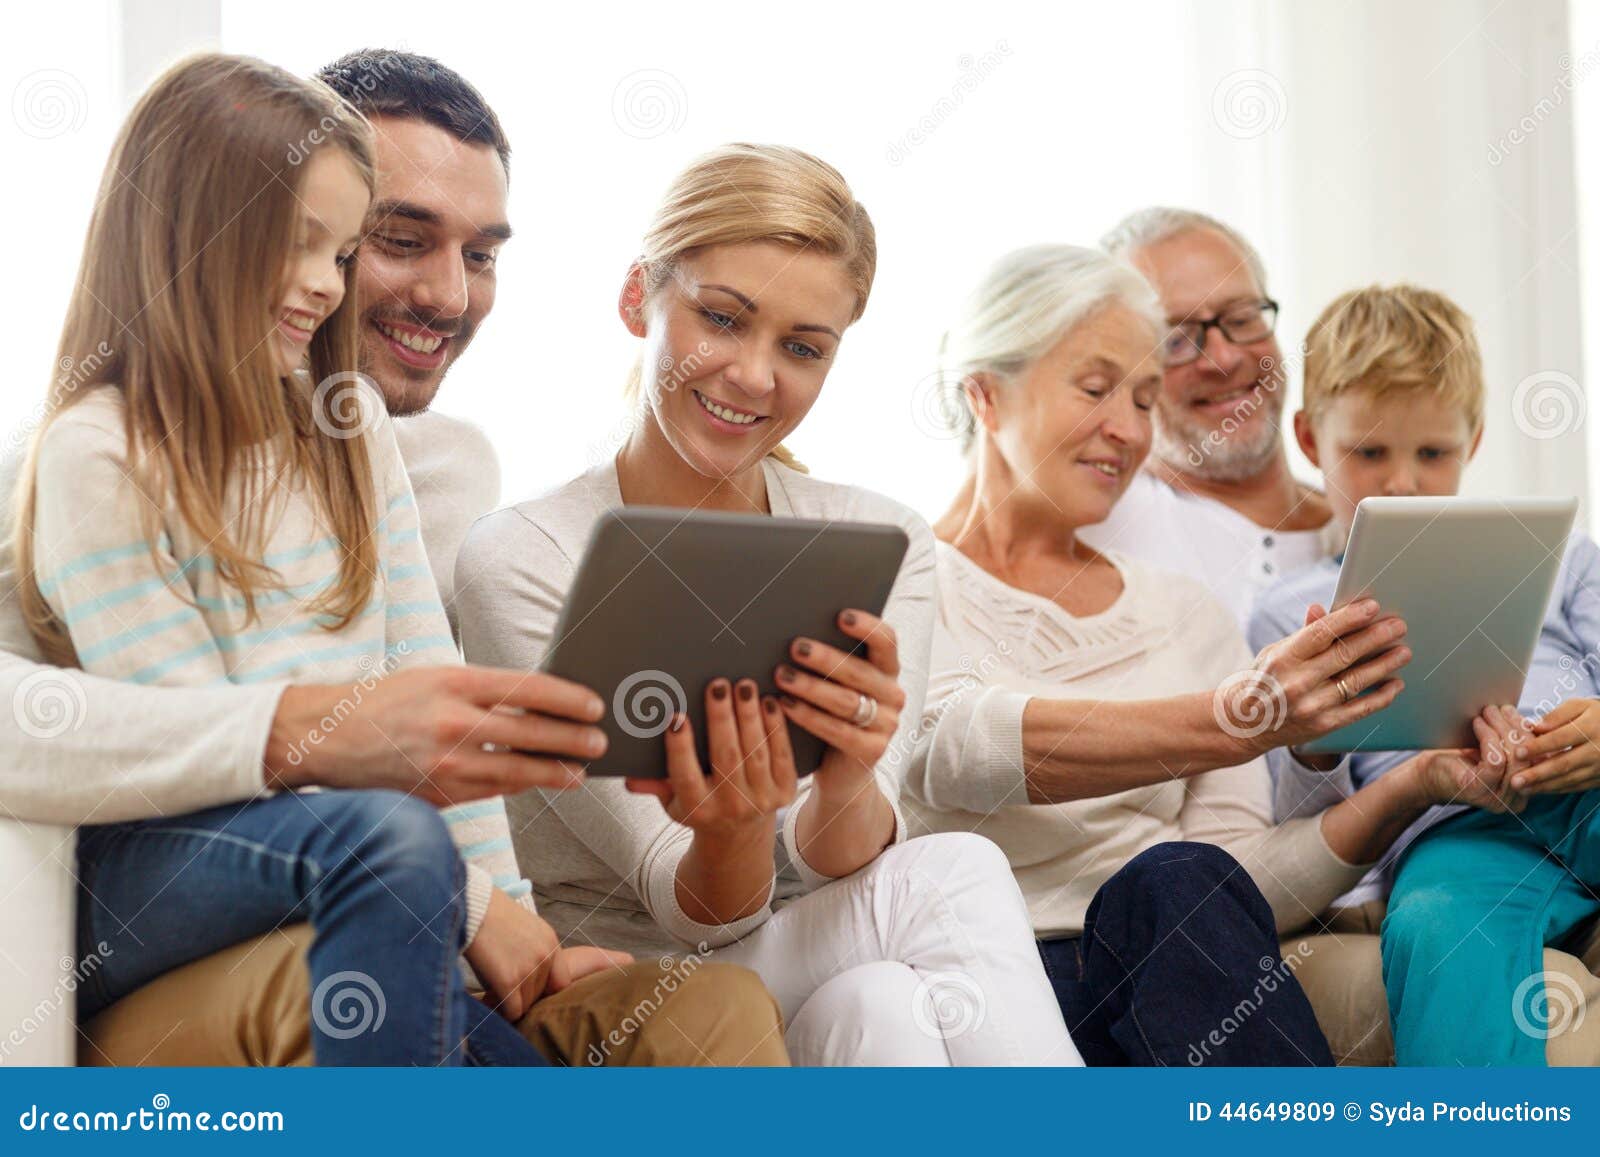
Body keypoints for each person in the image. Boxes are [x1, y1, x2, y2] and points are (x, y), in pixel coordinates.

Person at [2, 50, 786, 1067]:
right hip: (182, 864)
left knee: (706, 1003)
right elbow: (203, 747)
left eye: (338, 253)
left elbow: (430, 674)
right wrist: (473, 909)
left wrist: (514, 924)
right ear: (191, 236)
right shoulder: (91, 454)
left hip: (366, 874)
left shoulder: (352, 429)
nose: (323, 285)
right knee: (392, 840)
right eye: (325, 244)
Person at [453, 143, 1079, 1066]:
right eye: (721, 319)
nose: (754, 375)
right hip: (639, 984)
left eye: (801, 348)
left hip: (811, 954)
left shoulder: (880, 538)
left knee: (887, 1005)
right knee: (955, 873)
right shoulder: (524, 555)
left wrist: (850, 776)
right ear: (637, 297)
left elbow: (838, 862)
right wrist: (737, 824)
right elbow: (689, 905)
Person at [901, 244, 1520, 1065]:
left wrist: (1414, 784)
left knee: (1180, 879)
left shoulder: (1184, 611)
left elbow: (1238, 877)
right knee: (1171, 882)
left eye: (1144, 398)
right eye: (1096, 388)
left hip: (1165, 977)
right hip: (989, 980)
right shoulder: (904, 571)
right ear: (985, 391)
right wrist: (1241, 718)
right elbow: (944, 741)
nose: (1130, 429)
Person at [1251, 284, 1600, 1065]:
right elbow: (1303, 820)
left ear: (1473, 442)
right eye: (1369, 452)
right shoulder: (1286, 615)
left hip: (1585, 788)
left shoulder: (1563, 556)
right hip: (1454, 829)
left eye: (1433, 454)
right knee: (1437, 926)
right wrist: (1316, 736)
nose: (1403, 482)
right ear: (1309, 439)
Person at [1081, 208, 1341, 626]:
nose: (1223, 358)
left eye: (1242, 318)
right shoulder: (1099, 529)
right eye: (1176, 339)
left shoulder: (1365, 522)